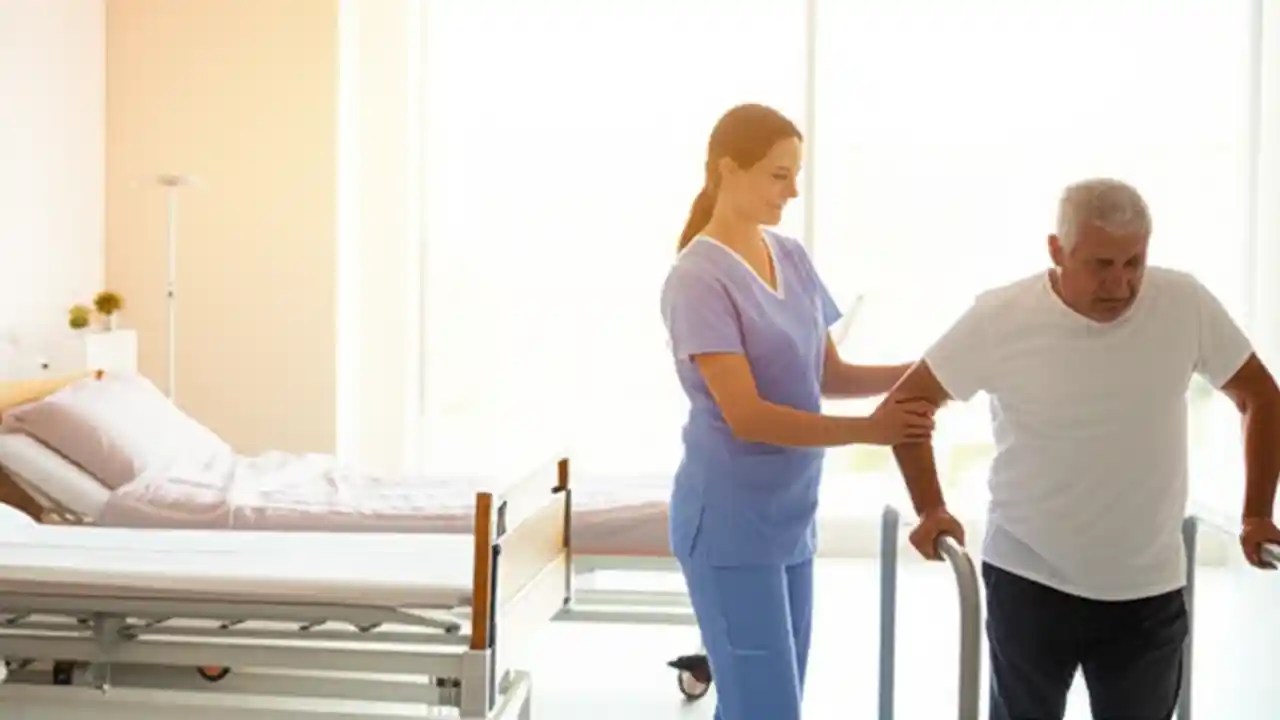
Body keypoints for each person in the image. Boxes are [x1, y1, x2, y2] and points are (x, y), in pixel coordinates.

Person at [880, 177, 1280, 719]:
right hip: (1029, 578)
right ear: (1057, 250)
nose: (1120, 283)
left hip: (1147, 588)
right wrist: (930, 506)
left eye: (1133, 262)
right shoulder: (1002, 316)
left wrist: (1257, 512)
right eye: (1100, 264)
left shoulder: (1184, 302)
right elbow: (909, 402)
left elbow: (1260, 395)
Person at [659, 102, 935, 720]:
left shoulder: (791, 256)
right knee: (768, 711)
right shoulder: (697, 277)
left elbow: (828, 375)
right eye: (779, 175)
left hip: (790, 518)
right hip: (729, 524)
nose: (794, 190)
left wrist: (932, 371)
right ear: (728, 169)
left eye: (796, 173)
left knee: (770, 706)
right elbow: (747, 415)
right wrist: (871, 431)